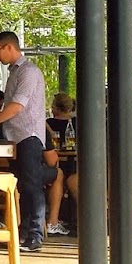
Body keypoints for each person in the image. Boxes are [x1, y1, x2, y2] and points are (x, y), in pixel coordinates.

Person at [0, 31, 48, 251]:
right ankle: (25, 232)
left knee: (31, 185)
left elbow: (18, 106)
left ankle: (35, 235)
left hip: (28, 135)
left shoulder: (29, 72)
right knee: (22, 185)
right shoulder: (14, 73)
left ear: (9, 47)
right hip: (14, 138)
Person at [45, 92, 79, 236]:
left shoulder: (50, 124)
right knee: (67, 177)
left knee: (59, 175)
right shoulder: (77, 123)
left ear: (56, 108)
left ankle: (56, 218)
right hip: (71, 164)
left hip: (53, 162)